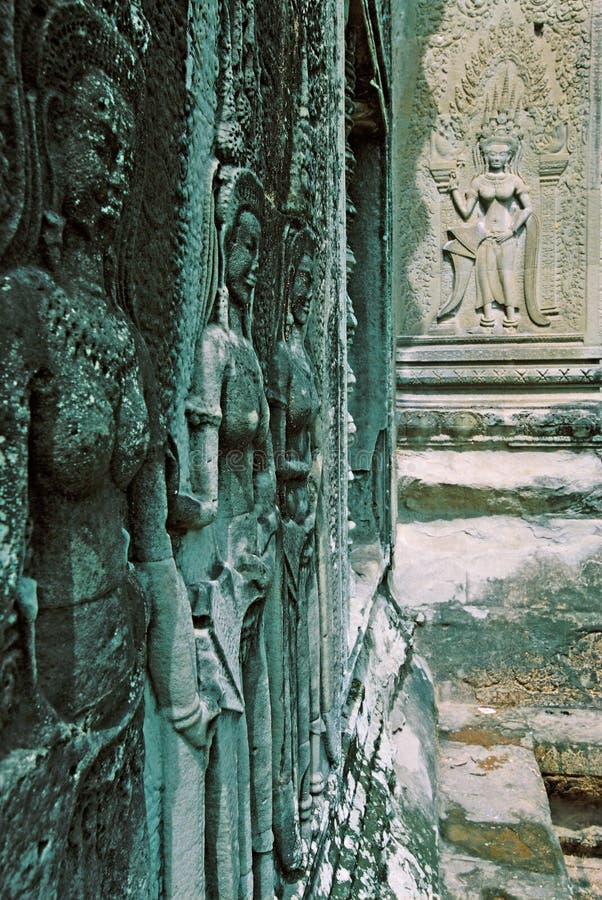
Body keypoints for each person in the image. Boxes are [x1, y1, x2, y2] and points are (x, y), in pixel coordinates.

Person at [0, 3, 214, 890]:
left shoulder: (123, 335)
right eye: (98, 134)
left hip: (127, 671)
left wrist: (183, 685)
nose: (120, 164)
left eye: (128, 141)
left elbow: (153, 544)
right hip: (48, 700)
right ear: (51, 135)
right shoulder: (24, 313)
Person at [183, 166, 277, 899]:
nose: (248, 262)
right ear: (220, 248)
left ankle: (269, 853)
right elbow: (206, 491)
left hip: (266, 547)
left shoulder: (249, 350)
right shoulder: (214, 349)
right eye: (239, 245)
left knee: (265, 703)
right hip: (222, 560)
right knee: (232, 716)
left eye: (256, 247)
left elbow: (269, 466)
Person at [265, 224, 323, 874]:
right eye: (300, 281)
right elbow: (276, 453)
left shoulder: (302, 349)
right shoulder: (280, 359)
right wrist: (302, 470)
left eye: (311, 281)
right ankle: (284, 814)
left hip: (305, 521)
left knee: (305, 655)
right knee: (286, 658)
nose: (305, 291)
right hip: (285, 518)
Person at [439, 127, 548, 329]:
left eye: (501, 154)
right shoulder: (479, 181)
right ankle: (487, 317)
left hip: (507, 235)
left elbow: (527, 209)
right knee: (484, 275)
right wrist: (454, 189)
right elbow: (465, 212)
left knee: (506, 273)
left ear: (508, 157)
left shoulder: (514, 181)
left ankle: (510, 315)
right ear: (485, 156)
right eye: (492, 154)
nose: (496, 158)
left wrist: (512, 231)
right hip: (484, 234)